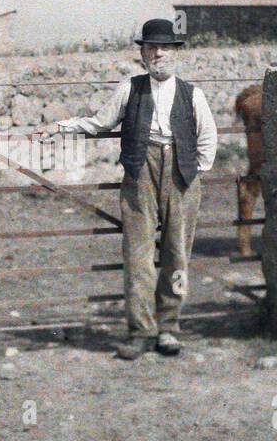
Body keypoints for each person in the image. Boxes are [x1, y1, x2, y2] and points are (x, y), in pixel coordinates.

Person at [40, 19, 218, 359]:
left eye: (165, 47)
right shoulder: (130, 88)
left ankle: (169, 328)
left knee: (177, 253)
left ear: (176, 52)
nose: (159, 53)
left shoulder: (192, 93)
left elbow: (208, 137)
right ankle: (140, 331)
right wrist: (62, 126)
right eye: (152, 47)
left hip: (182, 174)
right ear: (143, 53)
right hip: (140, 173)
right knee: (137, 255)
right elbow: (100, 122)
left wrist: (195, 170)